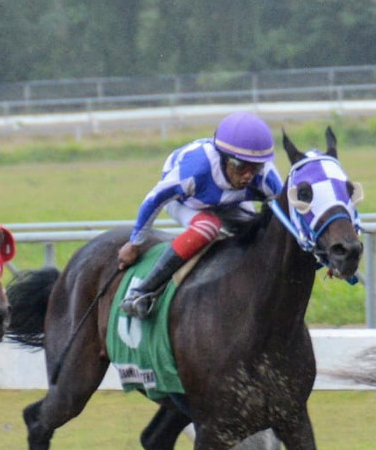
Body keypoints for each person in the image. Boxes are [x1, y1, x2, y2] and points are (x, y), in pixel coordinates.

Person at [116, 111, 282, 318]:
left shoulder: (266, 176)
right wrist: (135, 243)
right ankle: (142, 293)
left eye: (255, 167)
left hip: (233, 204)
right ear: (222, 158)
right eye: (240, 167)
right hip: (188, 202)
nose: (248, 175)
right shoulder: (196, 170)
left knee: (255, 230)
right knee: (208, 226)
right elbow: (154, 199)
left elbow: (288, 218)